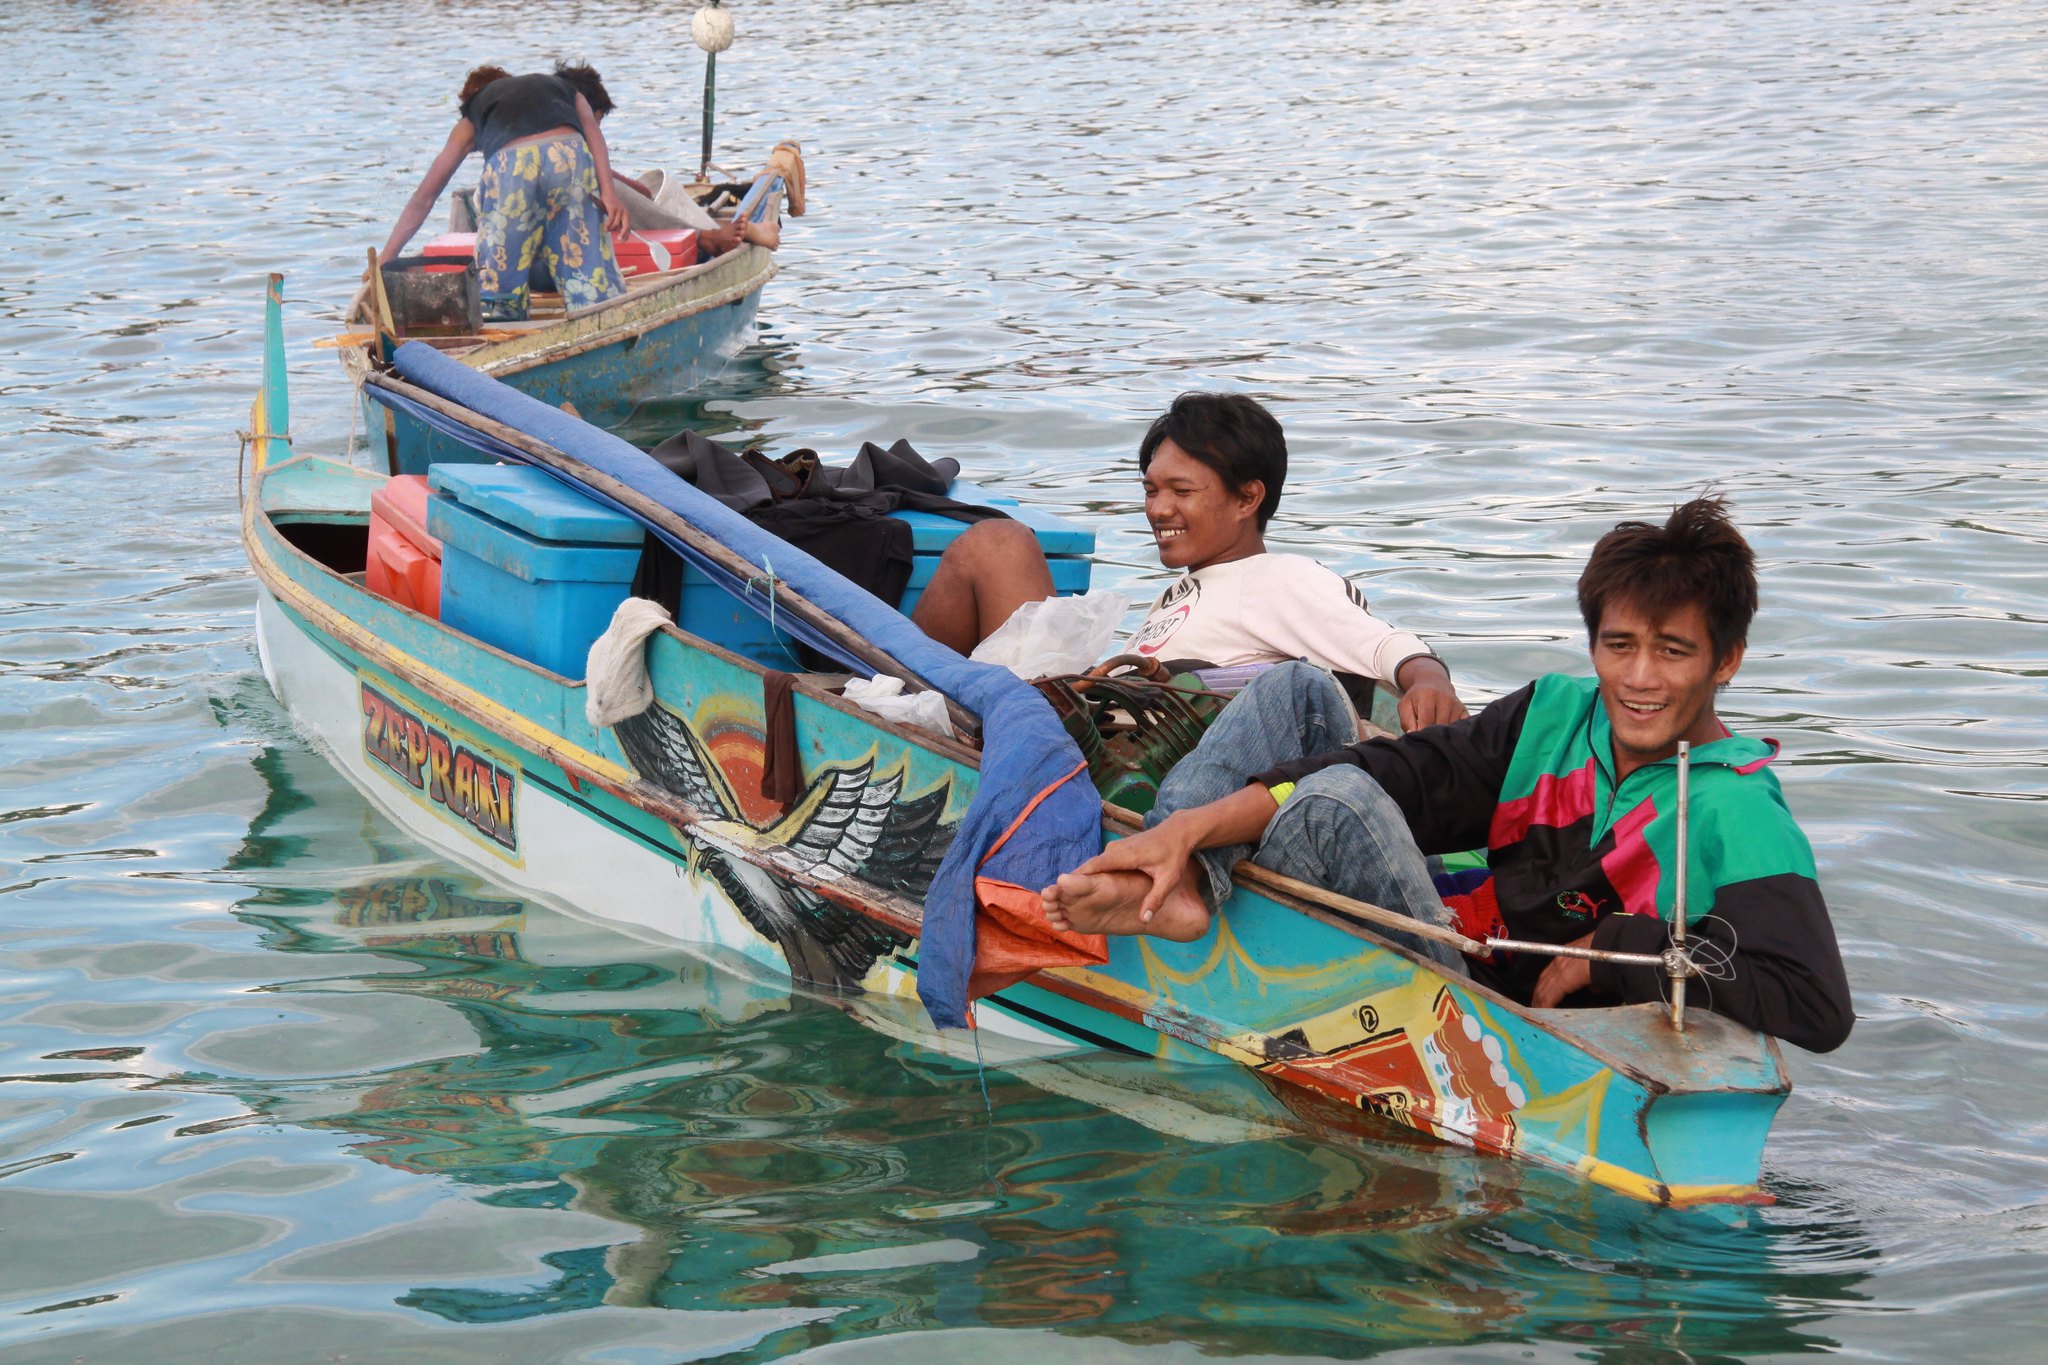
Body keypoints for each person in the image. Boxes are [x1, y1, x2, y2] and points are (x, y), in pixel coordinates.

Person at [1041, 496, 1853, 1054]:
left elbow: (1814, 1002)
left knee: (1337, 801)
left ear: (1726, 662)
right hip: (1455, 918)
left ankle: (1182, 881)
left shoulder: (1735, 805)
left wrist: (1617, 949)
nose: (1638, 678)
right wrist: (1191, 826)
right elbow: (1410, 769)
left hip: (1486, 1001)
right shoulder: (1557, 713)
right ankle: (1177, 875)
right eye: (1618, 646)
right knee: (1294, 689)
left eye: (1672, 652)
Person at [914, 393, 1467, 733]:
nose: (1158, 509)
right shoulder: (1188, 591)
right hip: (1090, 720)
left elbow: (1386, 647)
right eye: (1151, 489)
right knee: (996, 543)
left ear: (1249, 498)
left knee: (998, 543)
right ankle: (897, 691)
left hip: (1087, 756)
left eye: (1181, 490)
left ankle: (890, 690)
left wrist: (1427, 681)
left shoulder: (1279, 579)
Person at [379, 63, 628, 320]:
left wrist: (387, 257)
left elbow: (425, 196)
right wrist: (608, 193)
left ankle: (501, 318)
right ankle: (599, 314)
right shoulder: (560, 88)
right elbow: (592, 131)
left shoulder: (472, 115)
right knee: (583, 257)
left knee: (499, 273)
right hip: (568, 156)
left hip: (514, 170)